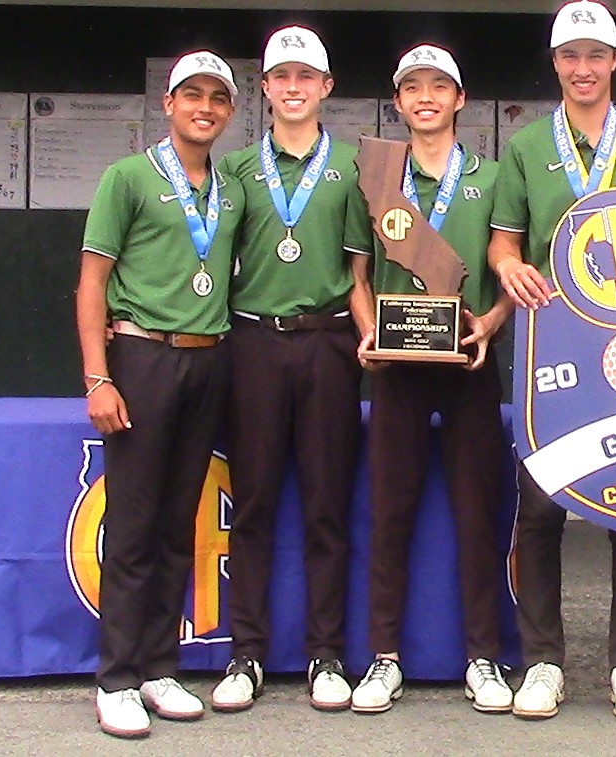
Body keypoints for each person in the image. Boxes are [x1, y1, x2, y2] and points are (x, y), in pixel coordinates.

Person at [488, 0, 616, 722]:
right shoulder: (528, 145)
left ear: (615, 61)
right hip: (551, 343)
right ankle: (542, 660)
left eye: (596, 55)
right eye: (571, 56)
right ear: (556, 63)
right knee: (540, 505)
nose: (584, 67)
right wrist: (508, 269)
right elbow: (505, 240)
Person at [346, 43, 517, 716]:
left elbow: (512, 270)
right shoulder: (377, 175)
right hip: (396, 369)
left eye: (437, 87)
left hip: (470, 363)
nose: (425, 97)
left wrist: (493, 322)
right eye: (412, 87)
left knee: (478, 514)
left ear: (459, 99)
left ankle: (483, 656)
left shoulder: (494, 176)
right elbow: (357, 279)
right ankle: (383, 656)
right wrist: (367, 332)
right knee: (389, 514)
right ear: (398, 101)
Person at [77, 51, 244, 738]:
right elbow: (91, 283)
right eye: (192, 95)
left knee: (180, 520)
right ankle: (115, 676)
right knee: (136, 522)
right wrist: (98, 375)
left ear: (230, 112)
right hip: (142, 356)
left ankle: (156, 666)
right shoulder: (127, 178)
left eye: (217, 98)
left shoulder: (231, 188)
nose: (204, 107)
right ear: (168, 103)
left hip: (208, 360)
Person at [210, 25, 375, 714]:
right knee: (251, 503)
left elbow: (364, 269)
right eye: (282, 76)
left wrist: (370, 335)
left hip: (329, 342)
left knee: (325, 505)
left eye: (307, 75)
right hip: (253, 343)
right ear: (266, 88)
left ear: (326, 87)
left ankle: (326, 654)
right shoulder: (238, 170)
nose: (294, 86)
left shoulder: (358, 168)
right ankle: (244, 653)